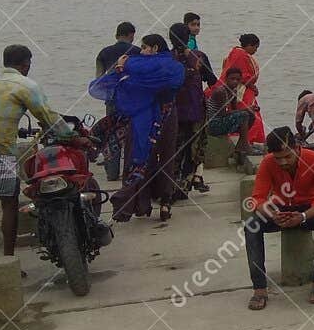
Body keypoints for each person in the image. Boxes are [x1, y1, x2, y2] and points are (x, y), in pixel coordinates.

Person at [0, 45, 65, 274]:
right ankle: (8, 259)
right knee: (9, 202)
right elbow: (48, 116)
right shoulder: (27, 85)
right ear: (26, 64)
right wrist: (72, 136)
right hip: (4, 147)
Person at [244, 128, 314, 309]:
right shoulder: (268, 163)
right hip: (280, 209)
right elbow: (258, 198)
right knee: (251, 225)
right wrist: (272, 215)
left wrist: (303, 216)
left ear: (297, 148)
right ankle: (259, 288)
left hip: (309, 210)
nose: (283, 162)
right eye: (278, 158)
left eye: (287, 156)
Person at [106, 33, 191, 223]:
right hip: (168, 115)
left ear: (155, 48)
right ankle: (165, 203)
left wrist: (120, 66)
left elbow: (124, 85)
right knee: (167, 157)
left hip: (144, 118)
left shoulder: (139, 67)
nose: (142, 51)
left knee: (139, 157)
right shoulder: (174, 67)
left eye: (145, 47)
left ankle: (139, 204)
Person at [169, 23, 211, 193]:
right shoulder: (199, 57)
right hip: (196, 111)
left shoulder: (167, 59)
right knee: (195, 147)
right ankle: (190, 180)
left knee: (175, 148)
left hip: (173, 112)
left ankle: (173, 185)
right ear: (188, 38)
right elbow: (212, 80)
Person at [94, 21, 135, 181]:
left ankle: (112, 173)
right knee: (132, 133)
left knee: (112, 134)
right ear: (131, 35)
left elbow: (99, 79)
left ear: (116, 35)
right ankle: (130, 172)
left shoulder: (104, 53)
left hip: (112, 99)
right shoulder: (136, 51)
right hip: (132, 100)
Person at [204, 67, 256, 169]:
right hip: (213, 125)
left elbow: (235, 109)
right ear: (226, 79)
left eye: (237, 79)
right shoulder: (220, 92)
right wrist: (245, 109)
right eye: (232, 79)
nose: (235, 81)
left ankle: (241, 144)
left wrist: (248, 110)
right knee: (245, 114)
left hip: (221, 120)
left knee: (250, 115)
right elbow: (222, 114)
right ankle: (244, 146)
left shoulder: (233, 91)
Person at [222, 33, 265, 147]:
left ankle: (249, 140)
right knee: (250, 115)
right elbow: (243, 75)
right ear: (249, 45)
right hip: (242, 91)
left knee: (250, 114)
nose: (256, 50)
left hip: (244, 89)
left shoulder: (237, 53)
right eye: (255, 47)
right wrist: (252, 86)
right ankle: (248, 140)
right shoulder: (240, 55)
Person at [182, 12, 218, 86]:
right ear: (185, 26)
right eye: (193, 25)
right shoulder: (190, 41)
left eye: (198, 25)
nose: (196, 28)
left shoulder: (191, 39)